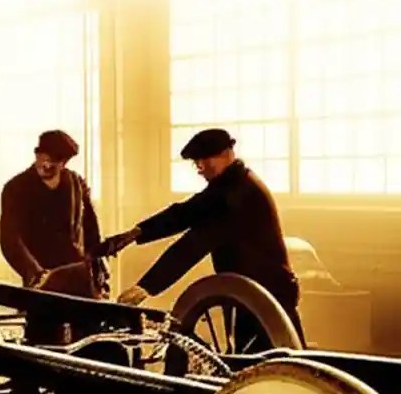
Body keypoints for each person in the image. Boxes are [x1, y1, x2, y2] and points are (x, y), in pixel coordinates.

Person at [0, 130, 142, 394]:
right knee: (59, 364)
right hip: (44, 288)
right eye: (46, 159)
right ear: (36, 154)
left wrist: (98, 266)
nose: (50, 166)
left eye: (58, 162)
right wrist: (35, 275)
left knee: (96, 356)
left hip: (80, 283)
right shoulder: (17, 188)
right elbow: (10, 239)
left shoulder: (76, 184)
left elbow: (90, 233)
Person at [105, 127, 305, 348]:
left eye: (204, 159)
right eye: (196, 162)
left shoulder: (238, 194)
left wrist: (145, 288)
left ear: (227, 153)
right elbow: (185, 212)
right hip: (250, 294)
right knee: (253, 362)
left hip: (267, 296)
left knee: (274, 365)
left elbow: (193, 244)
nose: (199, 168)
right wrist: (135, 233)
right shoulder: (229, 184)